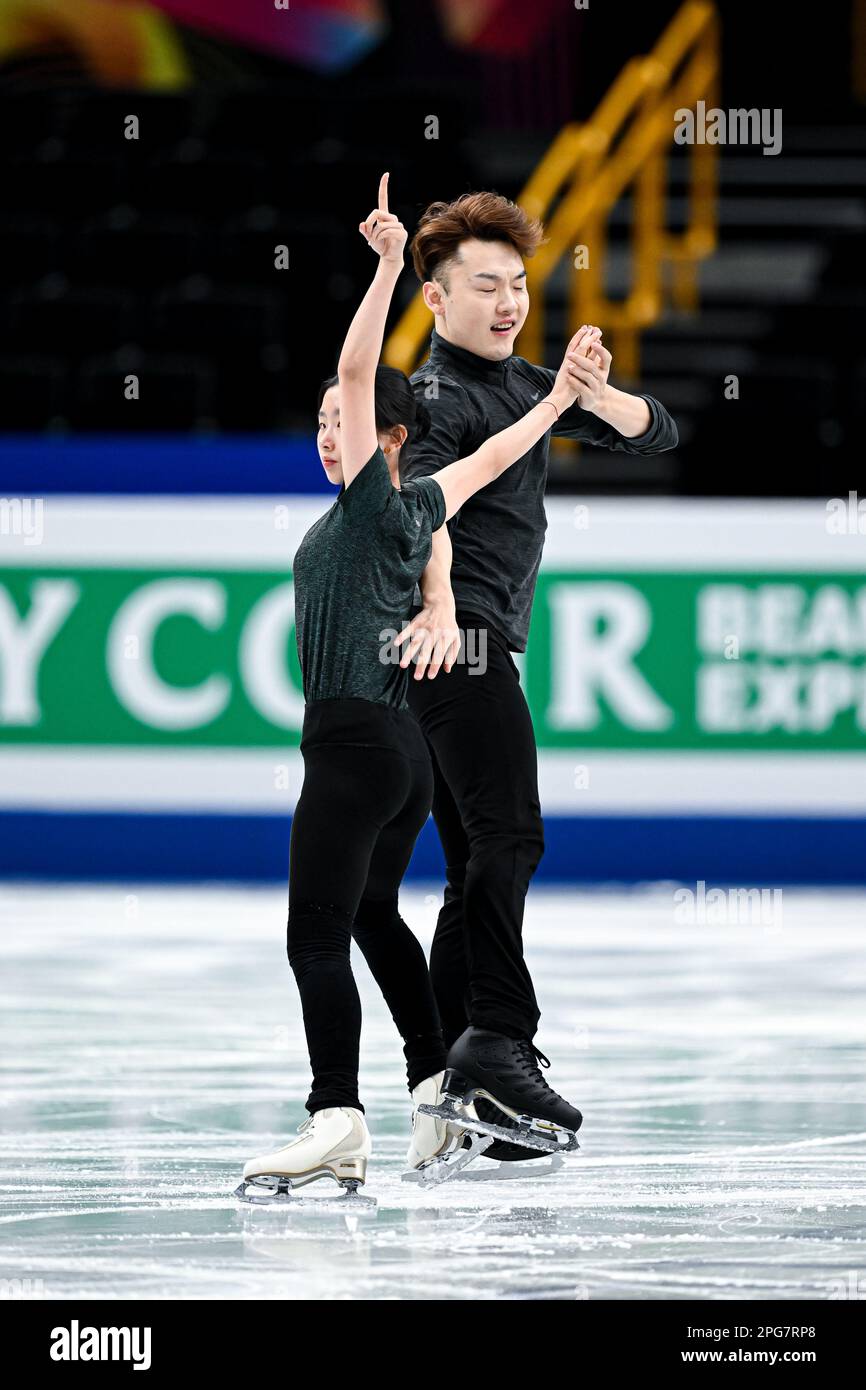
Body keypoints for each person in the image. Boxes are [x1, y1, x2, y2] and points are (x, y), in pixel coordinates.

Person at [236, 176, 588, 1202]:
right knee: (374, 915)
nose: (327, 436)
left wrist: (387, 265)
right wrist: (558, 401)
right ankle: (435, 1075)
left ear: (385, 438)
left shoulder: (366, 500)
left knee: (312, 932)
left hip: (351, 749)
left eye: (338, 424)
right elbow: (489, 457)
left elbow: (359, 367)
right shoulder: (423, 505)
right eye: (317, 426)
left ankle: (333, 1116)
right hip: (399, 756)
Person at [395, 191, 679, 1162]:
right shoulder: (430, 399)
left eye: (518, 283)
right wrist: (437, 608)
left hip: (466, 643)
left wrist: (588, 395)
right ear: (435, 298)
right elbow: (419, 503)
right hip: (451, 638)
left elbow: (658, 433)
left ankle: (454, 1082)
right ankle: (497, 1042)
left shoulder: (525, 384)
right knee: (509, 831)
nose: (508, 300)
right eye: (485, 285)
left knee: (472, 856)